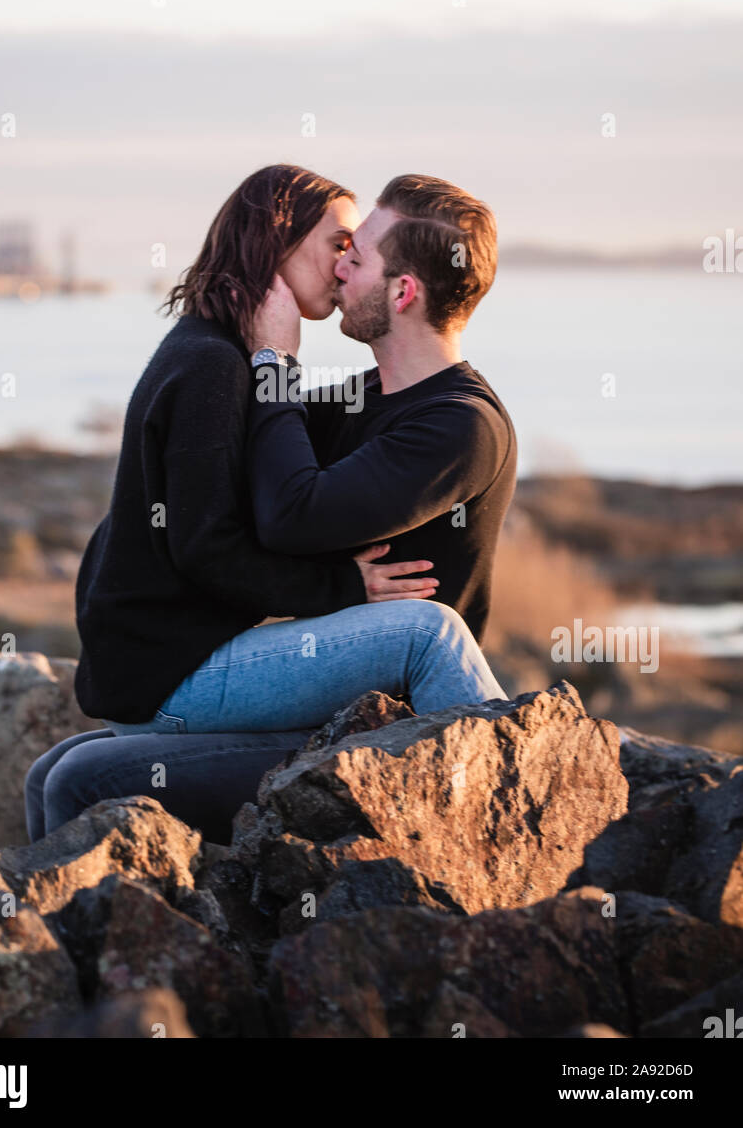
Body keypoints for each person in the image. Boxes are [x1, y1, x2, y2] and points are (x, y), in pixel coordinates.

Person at [25, 167, 513, 843]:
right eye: (338, 246)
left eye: (357, 254)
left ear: (402, 291)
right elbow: (238, 482)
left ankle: (513, 809)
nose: (343, 267)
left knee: (426, 630)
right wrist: (265, 364)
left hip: (393, 718)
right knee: (64, 770)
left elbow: (290, 508)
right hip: (297, 693)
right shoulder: (329, 390)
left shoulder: (459, 424)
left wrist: (272, 362)